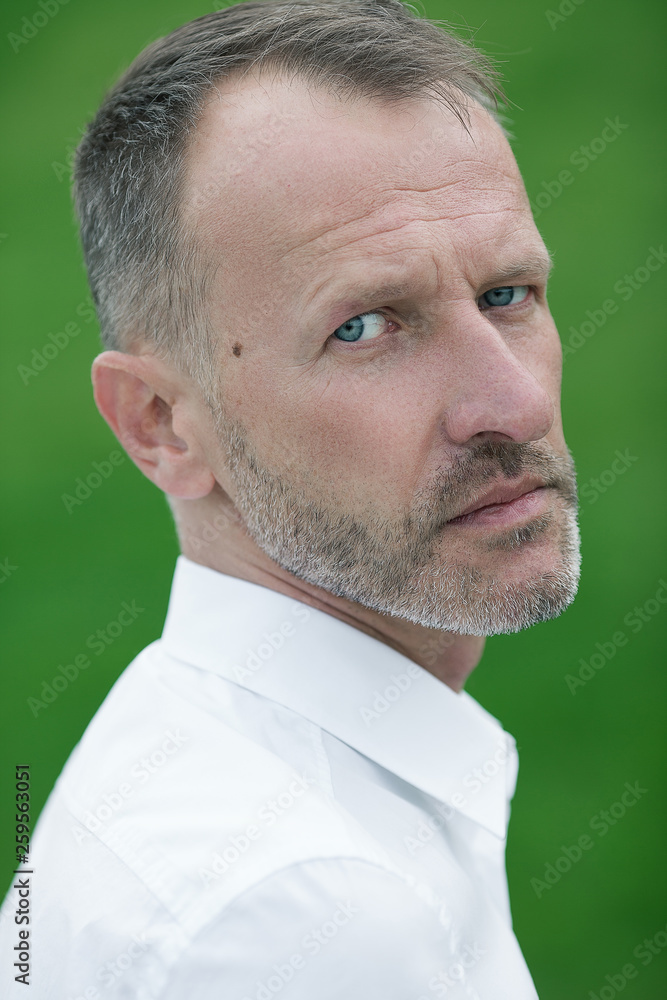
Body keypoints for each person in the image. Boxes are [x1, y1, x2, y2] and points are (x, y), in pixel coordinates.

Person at [1, 1, 581, 996]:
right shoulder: (299, 911)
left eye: (505, 295)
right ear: (160, 424)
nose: (514, 403)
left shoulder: (195, 765)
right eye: (364, 327)